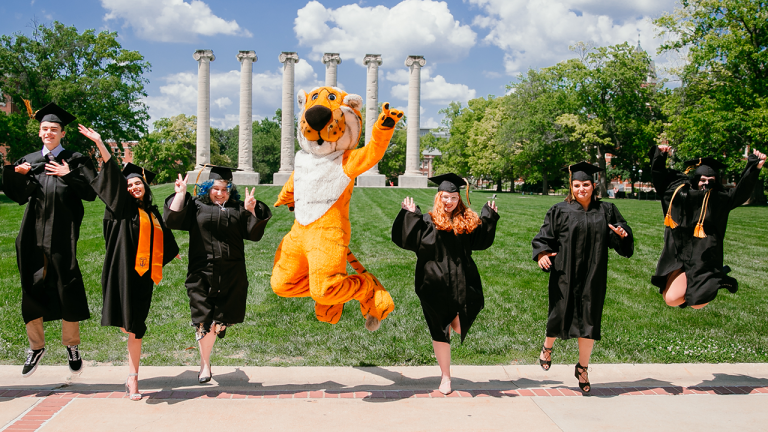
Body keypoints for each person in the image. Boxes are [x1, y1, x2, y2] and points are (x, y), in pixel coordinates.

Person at [83, 127, 179, 400]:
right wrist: (100, 143)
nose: (133, 187)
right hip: (123, 273)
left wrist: (173, 252)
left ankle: (132, 377)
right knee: (131, 325)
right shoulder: (120, 207)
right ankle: (133, 379)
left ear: (145, 186)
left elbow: (164, 235)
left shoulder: (150, 211)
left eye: (137, 183)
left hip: (144, 277)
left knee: (136, 327)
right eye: (129, 184)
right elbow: (111, 176)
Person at [2, 103, 97, 377]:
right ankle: (36, 347)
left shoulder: (76, 160)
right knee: (31, 287)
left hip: (63, 234)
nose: (48, 133)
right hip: (32, 233)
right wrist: (17, 176)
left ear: (62, 133)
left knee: (67, 286)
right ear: (40, 132)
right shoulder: (29, 160)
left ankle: (72, 345)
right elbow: (18, 196)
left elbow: (91, 193)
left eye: (54, 130)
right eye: (45, 129)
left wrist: (70, 175)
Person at [392, 173, 499, 395]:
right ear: (437, 197)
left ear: (458, 199)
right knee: (440, 330)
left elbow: (481, 240)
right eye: (444, 197)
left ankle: (450, 331)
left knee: (458, 324)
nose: (448, 202)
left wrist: (490, 218)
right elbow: (406, 239)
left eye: (452, 197)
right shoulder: (428, 222)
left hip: (463, 280)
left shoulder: (466, 222)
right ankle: (446, 377)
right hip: (432, 284)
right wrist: (409, 216)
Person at [531, 162, 633, 393]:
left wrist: (622, 234)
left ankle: (583, 368)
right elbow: (543, 237)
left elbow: (622, 235)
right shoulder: (560, 210)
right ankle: (547, 347)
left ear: (593, 185)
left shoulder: (607, 210)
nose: (581, 189)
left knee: (589, 320)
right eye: (577, 185)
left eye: (586, 184)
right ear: (571, 186)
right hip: (564, 272)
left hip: (593, 274)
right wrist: (542, 254)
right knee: (558, 313)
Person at [164, 167, 271, 383]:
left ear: (230, 190)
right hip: (201, 272)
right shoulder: (196, 206)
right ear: (207, 189)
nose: (220, 193)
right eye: (215, 189)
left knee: (219, 319)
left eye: (224, 189)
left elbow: (253, 234)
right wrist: (180, 194)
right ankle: (205, 364)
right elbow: (173, 219)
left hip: (232, 273)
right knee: (203, 318)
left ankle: (216, 333)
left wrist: (250, 210)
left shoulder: (237, 208)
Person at [649, 145, 765, 309]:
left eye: (711, 181)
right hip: (678, 256)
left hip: (703, 259)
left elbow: (741, 192)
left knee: (697, 304)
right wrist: (660, 155)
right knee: (672, 299)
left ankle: (717, 277)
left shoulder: (719, 199)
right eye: (702, 180)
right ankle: (707, 281)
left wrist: (755, 166)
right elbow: (660, 180)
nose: (706, 184)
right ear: (695, 180)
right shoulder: (679, 194)